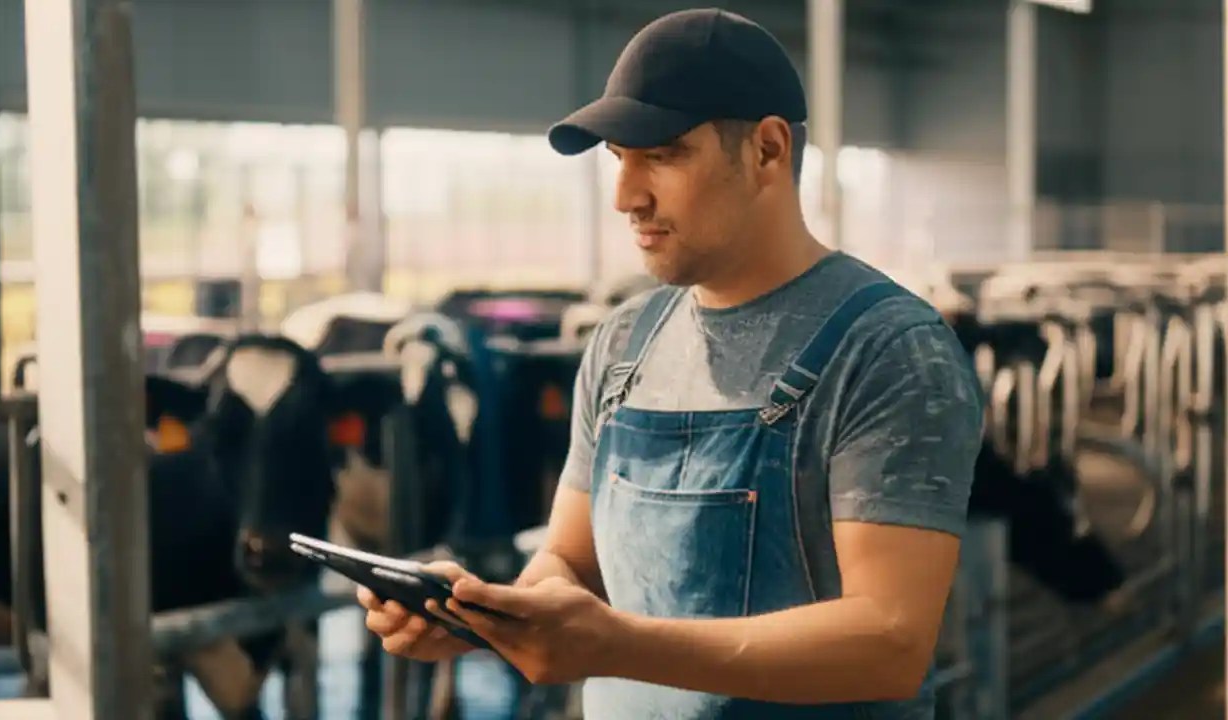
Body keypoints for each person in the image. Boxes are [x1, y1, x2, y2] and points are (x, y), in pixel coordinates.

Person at [359, 7, 984, 718]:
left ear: (767, 151)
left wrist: (617, 647)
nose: (627, 196)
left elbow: (890, 643)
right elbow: (572, 564)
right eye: (618, 159)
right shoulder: (625, 341)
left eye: (661, 154)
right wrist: (483, 618)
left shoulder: (888, 349)